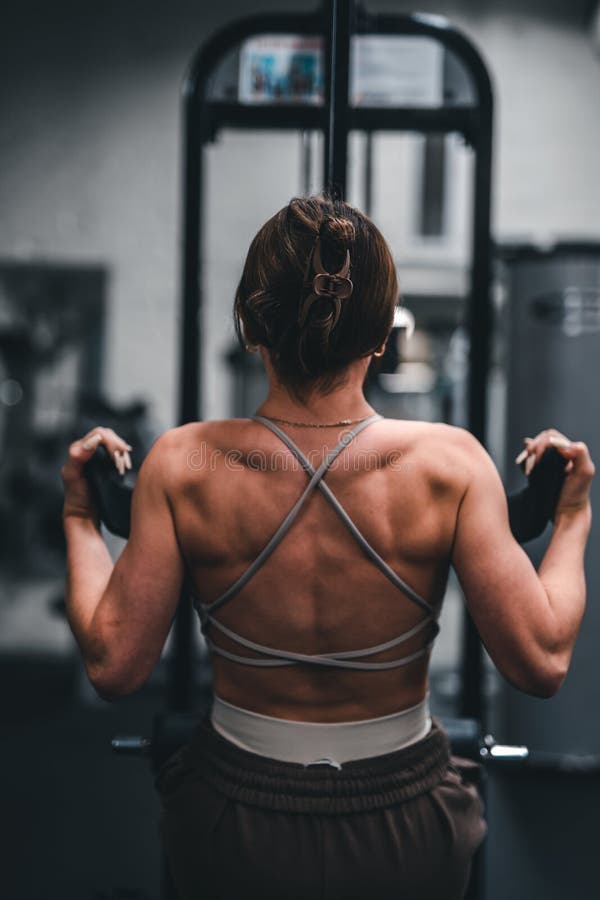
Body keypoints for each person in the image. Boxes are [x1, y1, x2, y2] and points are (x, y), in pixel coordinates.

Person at [61, 195, 594, 900]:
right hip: (406, 822)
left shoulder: (185, 463)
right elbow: (543, 661)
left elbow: (114, 666)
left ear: (253, 328)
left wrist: (77, 511)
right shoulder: (451, 466)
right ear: (382, 334)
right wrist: (574, 514)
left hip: (232, 820)